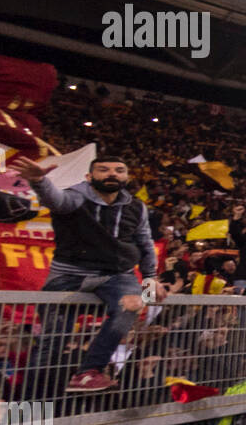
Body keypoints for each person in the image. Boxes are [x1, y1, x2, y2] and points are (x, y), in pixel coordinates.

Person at [14, 155, 163, 394]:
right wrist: (39, 181)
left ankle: (89, 372)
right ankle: (28, 404)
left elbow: (145, 243)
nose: (112, 174)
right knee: (54, 342)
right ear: (89, 177)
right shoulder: (76, 196)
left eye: (119, 170)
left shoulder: (137, 206)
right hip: (68, 276)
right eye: (104, 170)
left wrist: (150, 279)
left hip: (117, 275)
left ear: (127, 177)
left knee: (133, 304)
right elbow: (57, 200)